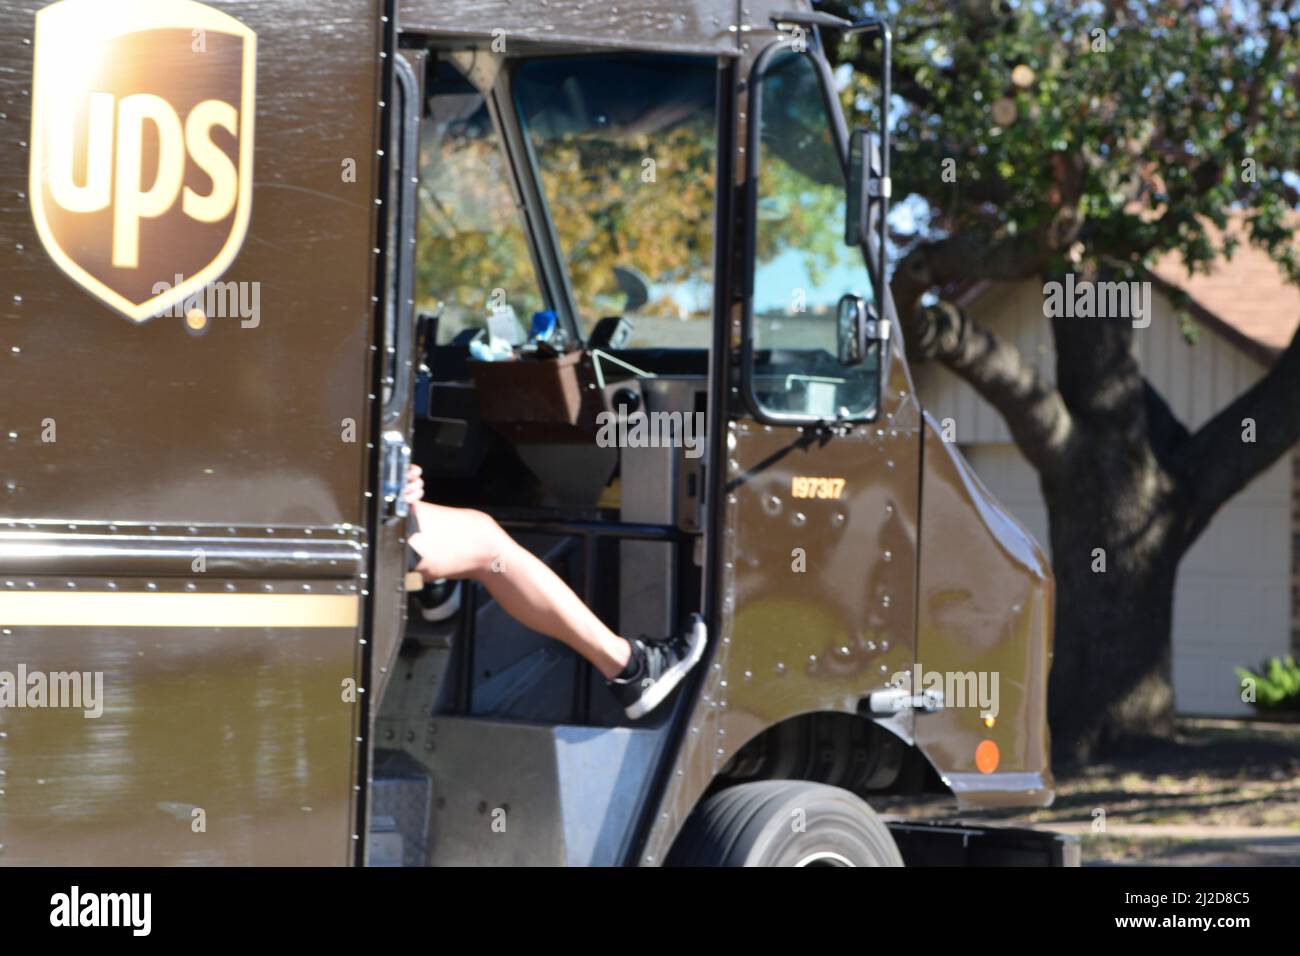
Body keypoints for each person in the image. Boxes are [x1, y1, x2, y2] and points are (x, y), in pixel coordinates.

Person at [401, 464, 705, 718]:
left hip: (365, 525)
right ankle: (631, 668)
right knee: (490, 549)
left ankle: (436, 584)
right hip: (364, 534)